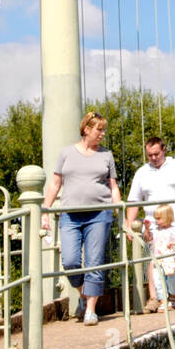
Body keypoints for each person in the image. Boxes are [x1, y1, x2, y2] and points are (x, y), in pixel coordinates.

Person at [42, 111, 121, 326]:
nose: (102, 134)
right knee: (71, 262)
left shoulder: (106, 155)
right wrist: (45, 210)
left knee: (94, 263)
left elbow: (113, 187)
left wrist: (118, 211)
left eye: (103, 130)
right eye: (99, 129)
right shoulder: (66, 153)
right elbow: (55, 183)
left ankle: (90, 310)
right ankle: (85, 296)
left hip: (99, 214)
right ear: (86, 129)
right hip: (70, 215)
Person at [125, 136, 175, 311]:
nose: (153, 158)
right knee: (155, 260)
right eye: (149, 155)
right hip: (154, 224)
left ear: (164, 150)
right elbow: (133, 201)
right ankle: (155, 298)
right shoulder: (142, 172)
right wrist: (129, 225)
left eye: (156, 154)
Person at [147, 204, 175, 313]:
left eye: (159, 218)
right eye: (155, 219)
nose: (156, 221)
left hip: (170, 260)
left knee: (173, 279)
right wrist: (147, 229)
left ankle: (172, 298)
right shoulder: (155, 230)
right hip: (157, 260)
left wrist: (174, 243)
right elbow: (148, 238)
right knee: (158, 281)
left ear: (167, 217)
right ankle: (163, 301)